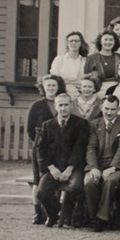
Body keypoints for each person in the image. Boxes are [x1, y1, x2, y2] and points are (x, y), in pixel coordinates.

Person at [35, 93, 90, 227]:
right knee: (41, 192)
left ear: (71, 105)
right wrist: (51, 168)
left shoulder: (81, 123)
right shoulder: (47, 125)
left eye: (66, 105)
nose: (63, 108)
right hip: (53, 167)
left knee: (77, 186)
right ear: (55, 107)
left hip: (73, 167)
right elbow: (41, 150)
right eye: (60, 105)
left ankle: (74, 216)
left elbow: (80, 148)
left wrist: (70, 169)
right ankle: (55, 214)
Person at [84, 95, 120, 232]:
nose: (109, 112)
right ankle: (93, 216)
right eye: (106, 109)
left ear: (118, 109)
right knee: (89, 182)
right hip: (99, 164)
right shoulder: (94, 124)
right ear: (101, 107)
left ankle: (102, 218)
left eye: (112, 109)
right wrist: (94, 167)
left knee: (110, 181)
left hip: (117, 165)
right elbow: (91, 147)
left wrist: (113, 167)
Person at [27, 74, 66, 224]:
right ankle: (38, 212)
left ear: (58, 87)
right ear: (43, 87)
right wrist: (40, 144)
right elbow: (30, 129)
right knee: (39, 180)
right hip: (41, 147)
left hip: (60, 147)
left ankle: (54, 211)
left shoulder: (62, 103)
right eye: (48, 85)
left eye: (53, 85)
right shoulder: (37, 105)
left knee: (55, 179)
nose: (51, 88)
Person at [50, 31, 88, 98]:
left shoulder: (85, 61)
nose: (74, 43)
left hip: (80, 95)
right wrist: (74, 81)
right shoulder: (59, 59)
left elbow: (86, 79)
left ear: (81, 43)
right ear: (67, 43)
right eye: (71, 41)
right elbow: (55, 78)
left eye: (77, 41)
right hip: (62, 94)